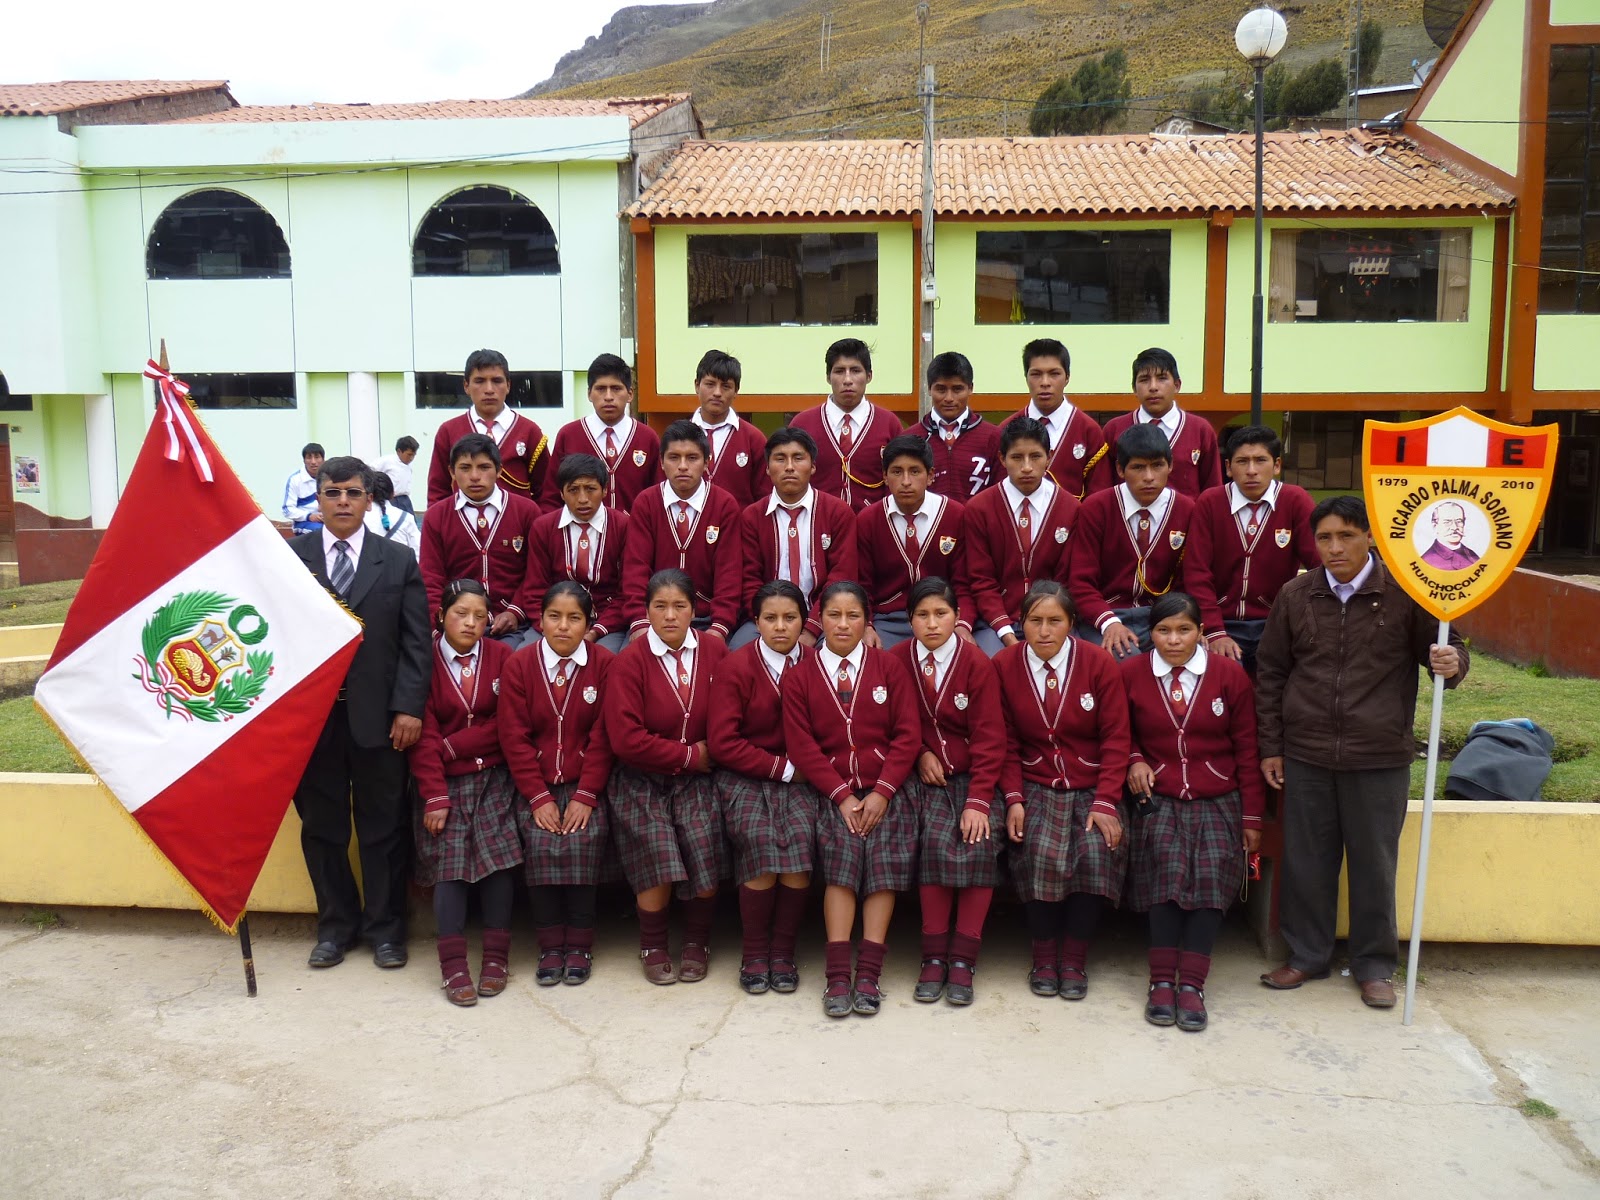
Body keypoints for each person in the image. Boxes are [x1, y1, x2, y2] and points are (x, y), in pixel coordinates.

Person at [1257, 495, 1468, 1010]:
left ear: (1369, 537)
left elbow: (1449, 650)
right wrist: (1272, 747)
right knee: (1307, 860)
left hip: (1379, 753)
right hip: (1306, 752)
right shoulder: (1296, 595)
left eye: (1346, 536)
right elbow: (1271, 673)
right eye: (1325, 538)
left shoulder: (1406, 593)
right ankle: (1307, 955)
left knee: (1375, 864)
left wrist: (1451, 661)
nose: (1335, 548)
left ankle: (1374, 966)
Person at [290, 456, 431, 969]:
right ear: (319, 498)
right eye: (333, 493)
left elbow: (417, 644)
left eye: (353, 492)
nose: (343, 501)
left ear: (370, 499)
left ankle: (387, 931)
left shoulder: (397, 561)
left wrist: (408, 708)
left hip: (381, 720)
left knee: (384, 830)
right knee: (322, 829)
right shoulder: (291, 560)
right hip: (312, 724)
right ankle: (335, 928)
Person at [1121, 592, 1263, 1032]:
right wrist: (1133, 758)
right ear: (1151, 634)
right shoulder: (1131, 673)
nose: (1174, 640)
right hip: (1160, 795)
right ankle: (1162, 979)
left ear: (1201, 632)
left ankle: (1193, 984)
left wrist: (1252, 818)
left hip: (1218, 796)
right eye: (1163, 630)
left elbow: (1246, 747)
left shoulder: (1228, 676)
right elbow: (1116, 730)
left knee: (1211, 873)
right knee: (1164, 866)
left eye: (1184, 630)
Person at [782, 581, 921, 1018]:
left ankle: (869, 975)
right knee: (843, 859)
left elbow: (907, 736)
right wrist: (841, 795)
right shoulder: (800, 675)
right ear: (819, 620)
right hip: (833, 789)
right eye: (834, 615)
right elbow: (801, 745)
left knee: (881, 860)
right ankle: (838, 975)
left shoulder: (889, 667)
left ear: (867, 620)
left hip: (887, 788)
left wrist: (883, 792)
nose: (843, 624)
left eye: (853, 616)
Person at [994, 582, 1130, 1001]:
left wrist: (1107, 800)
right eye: (1035, 621)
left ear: (1072, 623)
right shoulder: (1003, 664)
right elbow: (1005, 742)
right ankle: (1044, 953)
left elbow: (1115, 736)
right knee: (1037, 852)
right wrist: (1014, 799)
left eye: (1055, 621)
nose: (1044, 630)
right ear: (1022, 623)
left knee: (1095, 850)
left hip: (1091, 783)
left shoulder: (1097, 663)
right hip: (1035, 782)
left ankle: (1074, 956)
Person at [604, 569, 729, 984]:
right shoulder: (630, 661)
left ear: (695, 610)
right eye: (660, 606)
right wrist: (689, 755)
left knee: (703, 838)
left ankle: (697, 940)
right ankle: (653, 943)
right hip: (642, 776)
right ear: (647, 611)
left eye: (679, 606)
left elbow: (729, 717)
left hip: (700, 778)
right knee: (655, 845)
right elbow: (625, 739)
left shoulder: (715, 653)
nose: (670, 616)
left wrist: (702, 757)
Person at [894, 578, 1006, 1007]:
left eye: (941, 614)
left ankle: (963, 957)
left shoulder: (976, 662)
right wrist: (920, 753)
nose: (932, 623)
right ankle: (933, 956)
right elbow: (895, 724)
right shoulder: (897, 658)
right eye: (921, 615)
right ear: (909, 622)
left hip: (973, 776)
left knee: (978, 838)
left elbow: (991, 737)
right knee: (935, 842)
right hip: (921, 777)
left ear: (957, 618)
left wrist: (979, 800)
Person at [499, 582, 617, 987]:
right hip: (536, 782)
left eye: (574, 618)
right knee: (541, 840)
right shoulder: (519, 664)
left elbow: (605, 735)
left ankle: (580, 944)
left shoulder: (603, 664)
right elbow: (514, 737)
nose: (563, 626)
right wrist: (537, 797)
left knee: (585, 836)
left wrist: (586, 795)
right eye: (554, 616)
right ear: (540, 619)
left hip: (586, 782)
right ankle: (551, 945)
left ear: (589, 623)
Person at [410, 579, 521, 1006]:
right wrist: (436, 795)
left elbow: (507, 724)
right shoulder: (426, 660)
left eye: (479, 616)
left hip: (493, 774)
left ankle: (496, 959)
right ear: (441, 616)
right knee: (451, 858)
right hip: (443, 781)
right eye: (461, 613)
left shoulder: (502, 656)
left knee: (497, 858)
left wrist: (456, 745)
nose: (471, 623)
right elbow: (424, 736)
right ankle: (453, 965)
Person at [708, 580, 815, 995]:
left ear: (805, 622)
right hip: (748, 774)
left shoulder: (816, 663)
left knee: (801, 838)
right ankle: (754, 950)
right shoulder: (737, 666)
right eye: (770, 618)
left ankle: (783, 950)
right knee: (758, 838)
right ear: (755, 622)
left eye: (790, 618)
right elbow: (723, 742)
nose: (781, 627)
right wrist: (782, 769)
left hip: (804, 775)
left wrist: (800, 769)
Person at [1185, 425, 1318, 674]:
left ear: (1276, 465)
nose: (1251, 471)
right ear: (1227, 467)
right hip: (1223, 622)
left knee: (1280, 682)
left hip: (1276, 623)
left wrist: (1299, 620)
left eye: (1260, 460)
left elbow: (1319, 564)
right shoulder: (1210, 502)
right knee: (1224, 677)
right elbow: (1196, 573)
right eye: (1242, 461)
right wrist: (1215, 632)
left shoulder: (1294, 500)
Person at [1066, 424, 1194, 660]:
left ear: (1171, 465)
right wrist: (1108, 622)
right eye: (1138, 467)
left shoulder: (1187, 510)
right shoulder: (1097, 508)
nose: (1149, 477)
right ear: (1120, 469)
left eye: (1157, 466)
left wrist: (1187, 623)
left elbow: (1191, 580)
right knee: (1127, 661)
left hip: (1165, 617)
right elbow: (1080, 582)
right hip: (1104, 614)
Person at [730, 427, 857, 650]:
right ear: (767, 468)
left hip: (824, 618)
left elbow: (841, 576)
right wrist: (770, 622)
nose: (789, 467)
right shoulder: (752, 516)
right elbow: (749, 579)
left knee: (841, 650)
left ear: (813, 466)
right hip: (767, 618)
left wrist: (811, 628)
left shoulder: (837, 512)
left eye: (798, 458)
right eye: (780, 459)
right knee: (738, 650)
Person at [963, 417, 1080, 656]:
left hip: (1053, 620)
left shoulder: (1070, 507)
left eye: (1035, 456)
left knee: (1072, 663)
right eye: (1016, 457)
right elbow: (981, 581)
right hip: (995, 623)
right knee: (993, 666)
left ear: (1050, 456)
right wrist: (1006, 635)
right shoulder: (979, 508)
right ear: (1002, 459)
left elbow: (1068, 577)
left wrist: (1051, 624)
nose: (1026, 467)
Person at [619, 420, 743, 643]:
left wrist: (720, 627)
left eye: (692, 458)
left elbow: (729, 573)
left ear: (707, 462)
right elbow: (636, 568)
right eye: (674, 457)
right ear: (662, 462)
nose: (683, 466)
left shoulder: (724, 504)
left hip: (706, 619)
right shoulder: (646, 502)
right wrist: (639, 622)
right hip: (654, 619)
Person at [419, 433, 541, 642]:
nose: (475, 476)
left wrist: (515, 611)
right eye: (465, 468)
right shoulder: (437, 516)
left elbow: (536, 573)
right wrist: (440, 624)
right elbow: (431, 578)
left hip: (515, 626)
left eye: (484, 467)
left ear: (499, 470)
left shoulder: (526, 511)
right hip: (455, 626)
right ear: (452, 472)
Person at [855, 434, 973, 649]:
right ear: (885, 475)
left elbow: (963, 582)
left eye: (915, 472)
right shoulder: (868, 520)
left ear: (930, 476)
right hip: (889, 619)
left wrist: (962, 622)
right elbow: (863, 585)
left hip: (942, 616)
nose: (906, 481)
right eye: (897, 472)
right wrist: (867, 625)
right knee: (873, 661)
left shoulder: (956, 515)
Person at [521, 454, 631, 653]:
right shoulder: (544, 527)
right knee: (525, 656)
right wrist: (552, 626)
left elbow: (627, 590)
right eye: (573, 490)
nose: (582, 499)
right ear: (561, 493)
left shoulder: (623, 526)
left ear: (605, 490)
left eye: (591, 489)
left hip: (606, 622)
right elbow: (534, 589)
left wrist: (595, 631)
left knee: (609, 661)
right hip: (556, 620)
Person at [789, 338, 903, 511]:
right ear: (828, 377)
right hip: (817, 524)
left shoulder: (889, 423)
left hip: (873, 526)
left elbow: (899, 478)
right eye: (840, 371)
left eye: (856, 370)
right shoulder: (802, 424)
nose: (847, 379)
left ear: (869, 376)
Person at [426, 349, 549, 508]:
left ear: (508, 385)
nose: (489, 389)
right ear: (466, 386)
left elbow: (546, 492)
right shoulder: (449, 431)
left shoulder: (529, 431)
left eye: (497, 381)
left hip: (518, 530)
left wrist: (537, 529)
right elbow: (438, 491)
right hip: (462, 527)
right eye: (479, 381)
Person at [540, 354, 661, 511]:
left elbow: (658, 496)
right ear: (589, 394)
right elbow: (551, 498)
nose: (608, 397)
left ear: (630, 394)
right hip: (581, 533)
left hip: (634, 532)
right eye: (601, 389)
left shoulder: (647, 438)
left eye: (616, 389)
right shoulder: (569, 435)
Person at [1096, 348, 1221, 498]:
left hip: (1186, 521)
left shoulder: (1201, 430)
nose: (1153, 387)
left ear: (1177, 385)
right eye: (1144, 380)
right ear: (1134, 388)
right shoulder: (1114, 429)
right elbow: (1102, 490)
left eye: (1162, 378)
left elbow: (1212, 492)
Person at [1002, 339, 1106, 499]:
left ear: (1067, 377)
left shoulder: (1088, 431)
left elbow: (1098, 497)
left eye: (1054, 374)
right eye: (1036, 374)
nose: (1045, 383)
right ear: (1026, 377)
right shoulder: (1005, 429)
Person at [909, 351, 1001, 500]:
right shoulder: (910, 438)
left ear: (970, 388)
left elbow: (1002, 493)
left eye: (957, 389)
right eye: (941, 389)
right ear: (929, 389)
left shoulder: (994, 437)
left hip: (977, 523)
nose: (949, 398)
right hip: (928, 523)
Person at [691, 349, 769, 507]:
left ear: (736, 392)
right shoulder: (679, 437)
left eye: (726, 386)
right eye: (710, 384)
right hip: (690, 529)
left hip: (738, 529)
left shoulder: (753, 438)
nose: (717, 393)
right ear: (697, 386)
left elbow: (764, 497)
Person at [365, 471, 422, 557]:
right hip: (401, 568)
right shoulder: (406, 517)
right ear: (393, 494)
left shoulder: (359, 519)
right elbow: (418, 551)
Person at [1419, 501, 1481, 570]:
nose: (1454, 527)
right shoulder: (1427, 561)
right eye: (1447, 522)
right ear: (1435, 526)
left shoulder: (1472, 555)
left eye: (1459, 521)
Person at [283, 442, 325, 534]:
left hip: (327, 520)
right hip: (304, 523)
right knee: (320, 532)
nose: (313, 462)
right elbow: (287, 510)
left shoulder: (330, 477)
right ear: (304, 460)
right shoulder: (295, 480)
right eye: (309, 457)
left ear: (323, 459)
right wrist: (309, 516)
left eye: (317, 457)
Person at [375, 435, 419, 515]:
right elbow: (371, 470)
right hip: (391, 499)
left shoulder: (409, 466)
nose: (411, 458)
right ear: (399, 451)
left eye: (414, 455)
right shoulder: (387, 461)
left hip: (405, 499)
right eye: (409, 454)